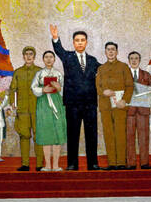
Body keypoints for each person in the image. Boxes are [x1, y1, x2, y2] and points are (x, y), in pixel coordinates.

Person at [49, 24, 101, 170]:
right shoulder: (68, 57)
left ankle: (93, 163)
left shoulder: (93, 60)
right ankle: (72, 164)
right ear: (73, 42)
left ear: (86, 42)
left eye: (82, 40)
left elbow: (104, 71)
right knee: (72, 134)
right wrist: (55, 38)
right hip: (72, 104)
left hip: (90, 103)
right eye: (77, 40)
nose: (79, 42)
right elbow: (58, 50)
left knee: (92, 134)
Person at [95, 41, 134, 170]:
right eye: (108, 49)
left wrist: (125, 100)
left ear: (117, 52)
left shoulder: (124, 67)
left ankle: (121, 163)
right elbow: (97, 86)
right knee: (108, 133)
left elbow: (130, 86)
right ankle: (112, 163)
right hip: (105, 105)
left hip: (120, 105)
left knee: (120, 133)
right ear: (105, 52)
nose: (111, 52)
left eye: (113, 49)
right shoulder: (101, 69)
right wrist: (103, 92)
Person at [6, 46, 41, 171]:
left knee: (39, 136)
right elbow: (13, 90)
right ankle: (25, 164)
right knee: (24, 136)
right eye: (26, 54)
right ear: (23, 56)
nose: (29, 56)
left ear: (34, 56)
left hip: (38, 110)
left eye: (31, 54)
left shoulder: (40, 71)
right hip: (23, 110)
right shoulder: (18, 72)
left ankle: (39, 164)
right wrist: (13, 104)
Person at [31, 50, 67, 171]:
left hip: (57, 103)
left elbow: (65, 90)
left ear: (54, 59)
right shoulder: (40, 74)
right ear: (43, 59)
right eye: (46, 57)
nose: (49, 59)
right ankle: (47, 165)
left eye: (51, 57)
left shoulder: (58, 74)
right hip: (44, 104)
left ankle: (56, 165)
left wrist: (59, 88)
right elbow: (33, 88)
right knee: (46, 134)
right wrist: (42, 90)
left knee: (57, 133)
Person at [124, 50, 151, 169]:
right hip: (129, 112)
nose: (134, 60)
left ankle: (144, 163)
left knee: (144, 138)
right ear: (128, 61)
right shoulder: (124, 74)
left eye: (136, 58)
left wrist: (143, 91)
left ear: (139, 60)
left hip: (143, 111)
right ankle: (131, 163)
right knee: (129, 138)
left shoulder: (146, 75)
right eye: (131, 58)